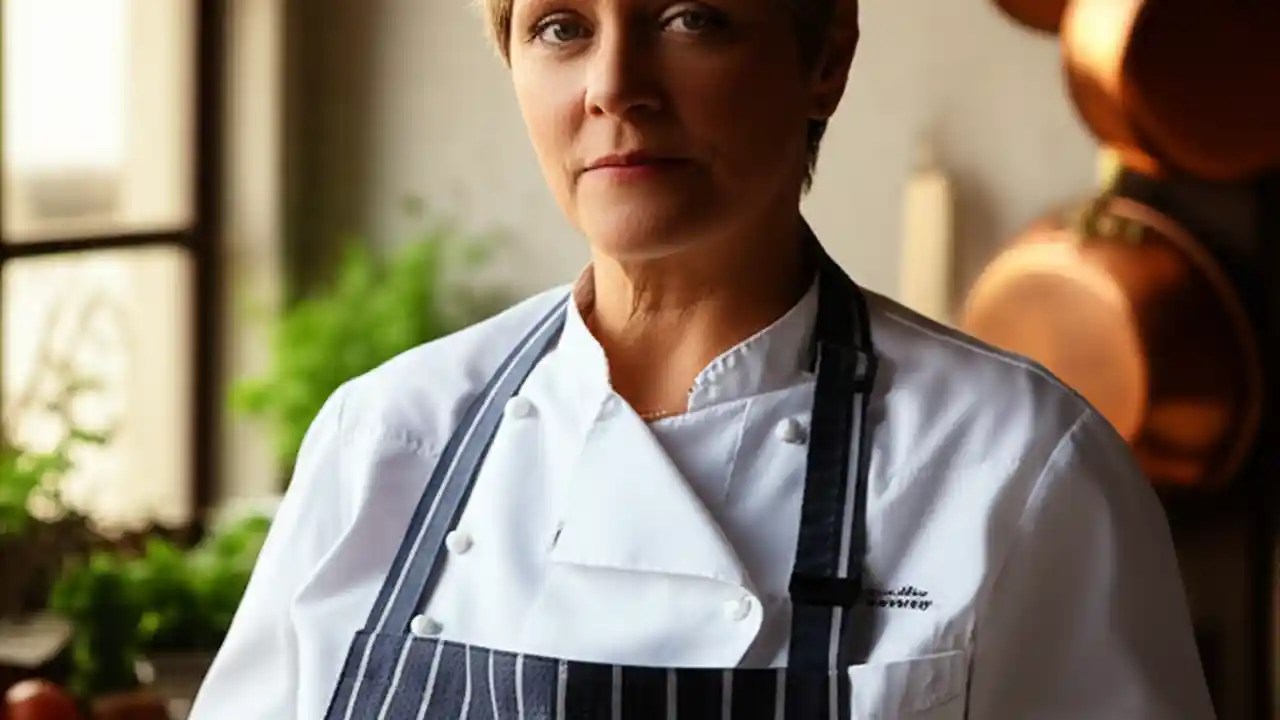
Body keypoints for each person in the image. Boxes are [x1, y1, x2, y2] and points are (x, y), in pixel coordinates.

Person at [189, 0, 1215, 717]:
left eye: (690, 18)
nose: (613, 87)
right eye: (560, 27)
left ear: (825, 56)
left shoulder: (1017, 466)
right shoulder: (388, 435)